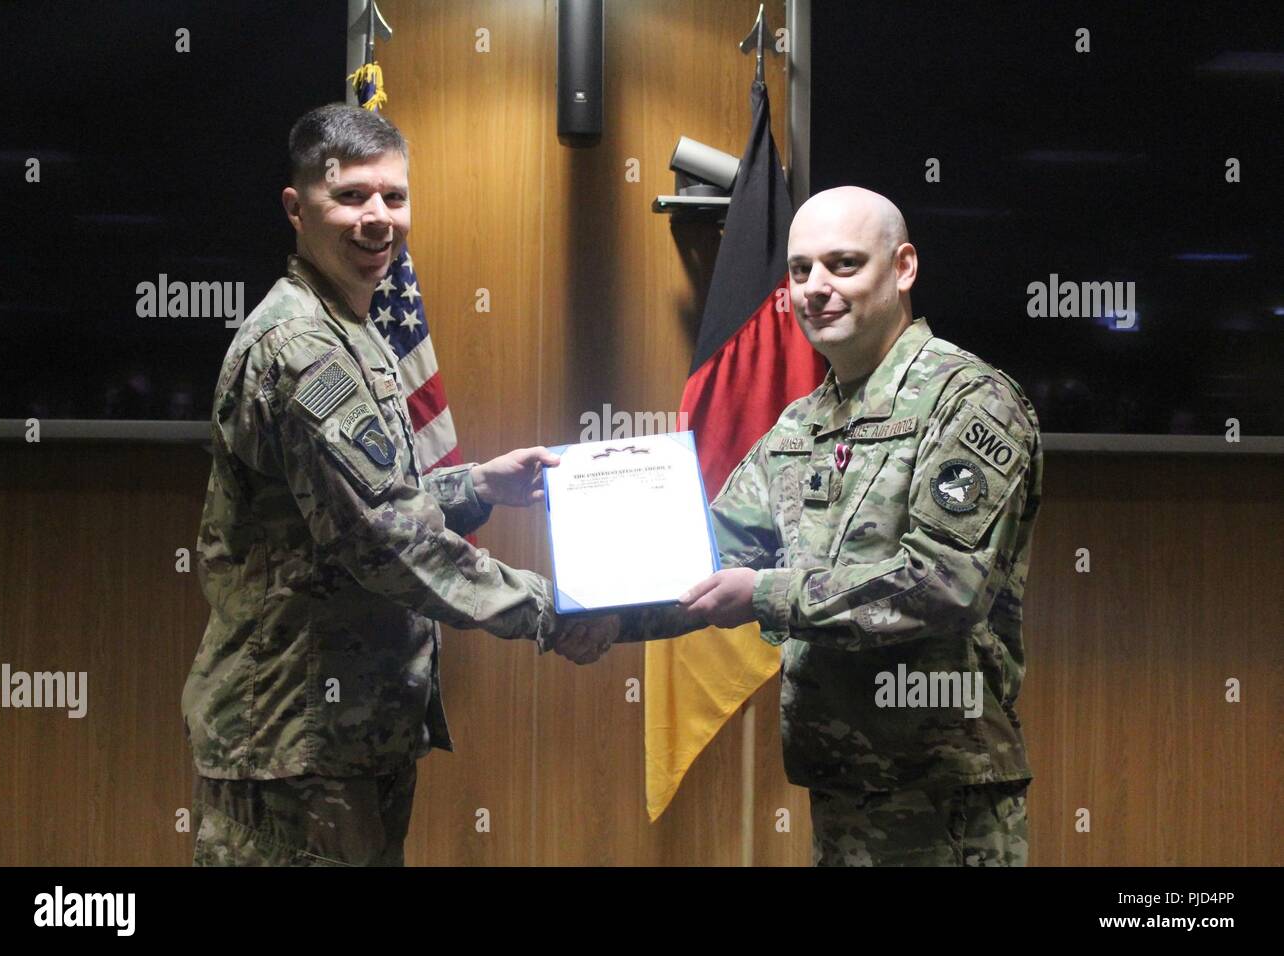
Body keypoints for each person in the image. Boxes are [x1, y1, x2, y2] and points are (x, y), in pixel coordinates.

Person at [182, 103, 613, 867]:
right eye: (350, 196)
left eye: (394, 197)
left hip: (349, 731)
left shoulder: (354, 326)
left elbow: (344, 509)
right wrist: (552, 609)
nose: (377, 218)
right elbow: (385, 540)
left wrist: (476, 485)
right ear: (296, 207)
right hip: (294, 737)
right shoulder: (303, 350)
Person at [612, 186, 1043, 866]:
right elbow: (698, 557)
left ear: (902, 268)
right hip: (839, 789)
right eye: (801, 269)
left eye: (843, 264)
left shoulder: (968, 402)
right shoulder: (801, 426)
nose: (816, 288)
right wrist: (572, 607)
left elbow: (942, 587)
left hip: (944, 804)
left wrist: (765, 593)